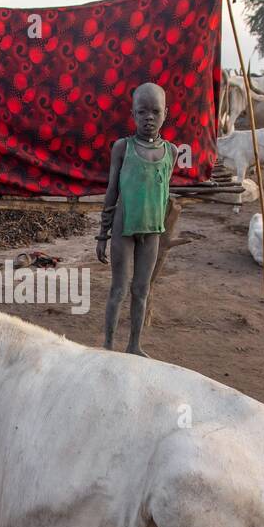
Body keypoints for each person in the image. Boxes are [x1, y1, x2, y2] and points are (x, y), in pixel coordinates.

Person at [96, 82, 176, 357]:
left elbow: (163, 192)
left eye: (156, 111)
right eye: (142, 112)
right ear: (132, 113)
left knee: (141, 290)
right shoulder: (123, 147)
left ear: (166, 113)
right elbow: (111, 191)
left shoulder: (171, 152)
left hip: (152, 231)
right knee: (118, 289)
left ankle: (134, 345)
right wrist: (102, 234)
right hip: (123, 227)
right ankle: (107, 344)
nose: (149, 117)